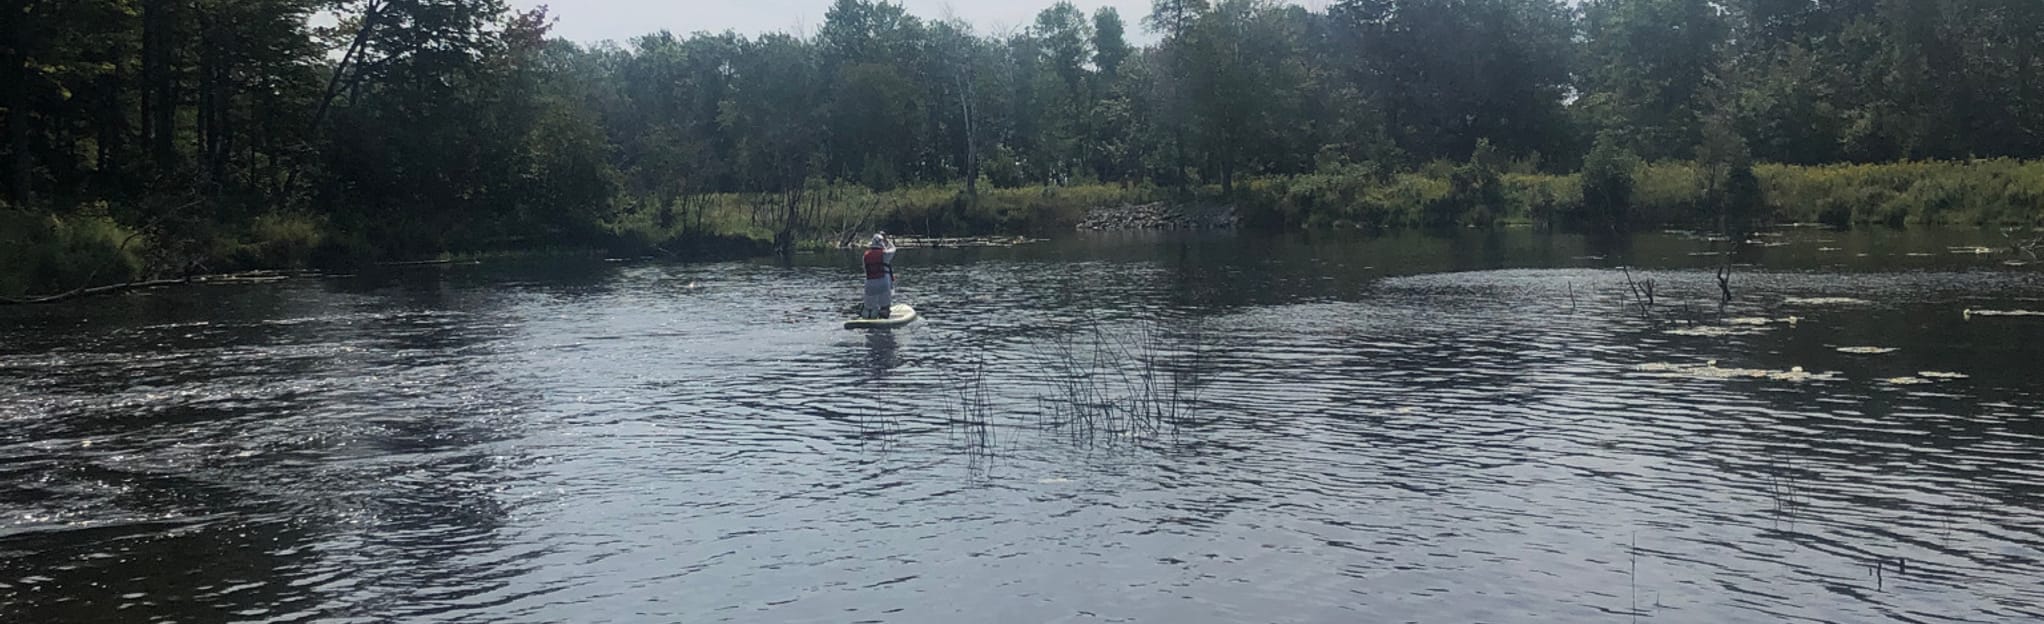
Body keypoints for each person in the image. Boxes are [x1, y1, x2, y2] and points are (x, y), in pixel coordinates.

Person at [861, 233, 897, 318]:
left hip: (869, 284)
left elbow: (865, 270)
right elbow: (893, 249)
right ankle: (884, 313)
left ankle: (868, 312)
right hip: (883, 283)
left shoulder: (865, 256)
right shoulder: (885, 254)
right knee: (885, 307)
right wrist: (887, 240)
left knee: (869, 307)